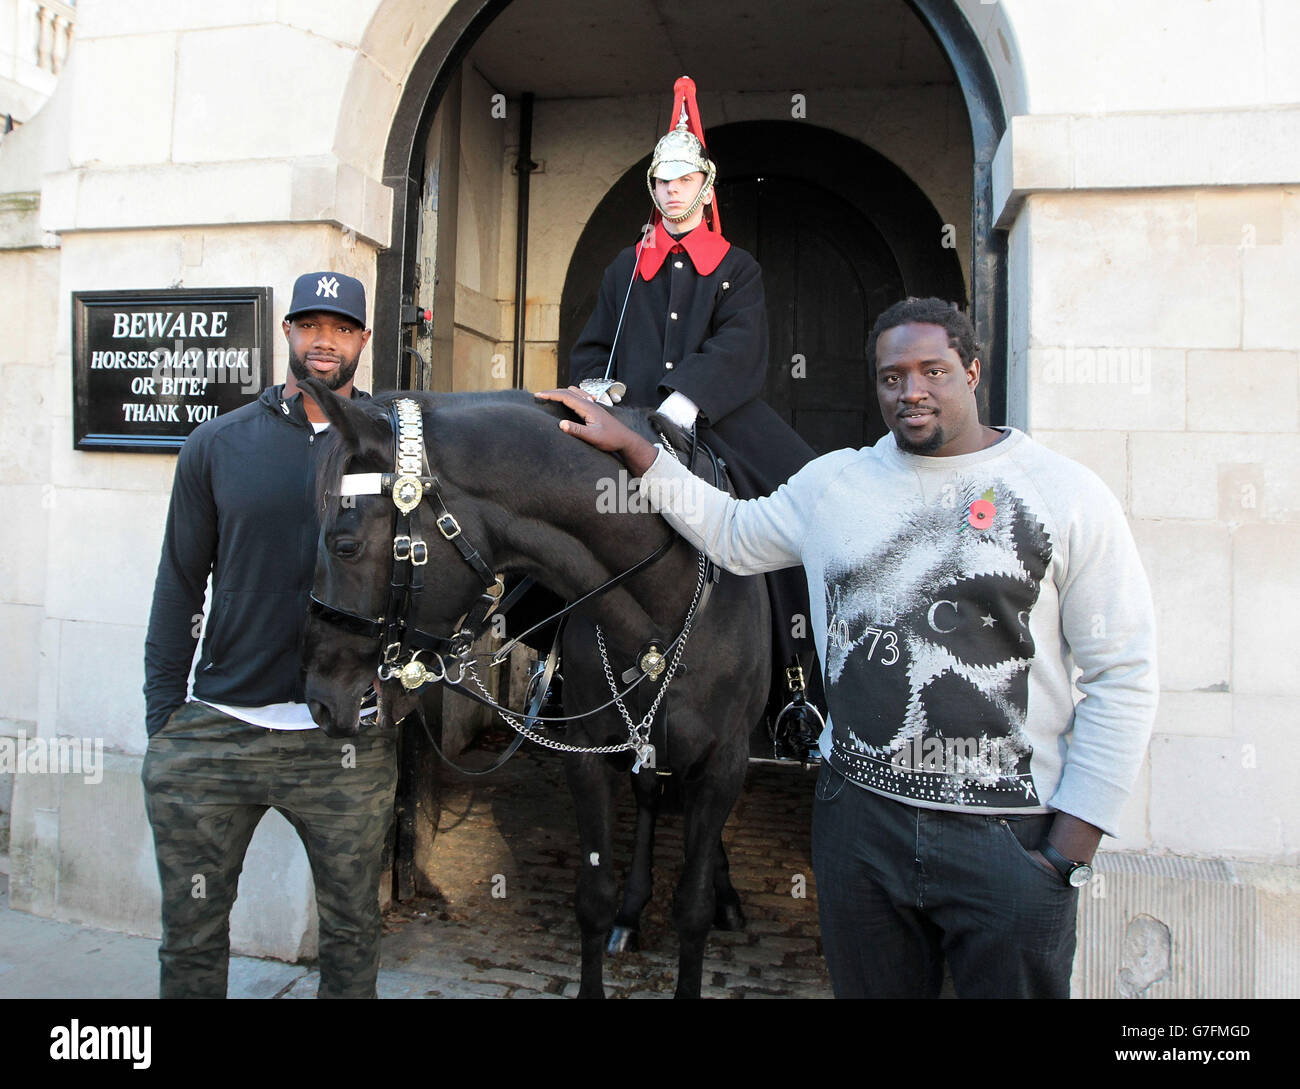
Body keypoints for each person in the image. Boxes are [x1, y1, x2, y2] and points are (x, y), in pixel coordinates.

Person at [539, 295, 1159, 998]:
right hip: (860, 825)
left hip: (1009, 836)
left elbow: (1123, 673)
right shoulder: (835, 482)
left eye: (933, 370)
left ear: (972, 370)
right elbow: (732, 534)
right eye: (893, 376)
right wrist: (635, 449)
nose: (911, 390)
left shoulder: (1065, 494)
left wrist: (1070, 848)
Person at [141, 270, 397, 999]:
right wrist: (164, 722)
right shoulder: (218, 444)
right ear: (287, 331)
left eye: (341, 328)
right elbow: (179, 584)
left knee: (353, 936)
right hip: (222, 725)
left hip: (343, 739)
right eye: (310, 325)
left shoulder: (388, 448)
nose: (324, 341)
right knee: (191, 939)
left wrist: (397, 687)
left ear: (363, 339)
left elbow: (428, 584)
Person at [568, 75, 822, 743]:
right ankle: (548, 664)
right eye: (661, 181)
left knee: (804, 497)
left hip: (718, 417)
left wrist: (686, 399)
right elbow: (594, 344)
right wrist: (600, 388)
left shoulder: (738, 268)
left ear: (706, 186)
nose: (671, 191)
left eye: (683, 180)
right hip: (629, 419)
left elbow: (741, 345)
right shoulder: (626, 266)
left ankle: (797, 681)